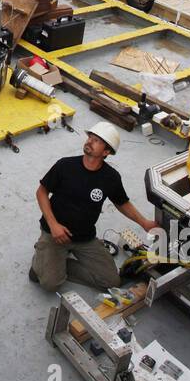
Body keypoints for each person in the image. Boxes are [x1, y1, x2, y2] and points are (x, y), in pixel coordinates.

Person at [29, 121, 160, 292]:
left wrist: (144, 223)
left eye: (97, 140)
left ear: (106, 152)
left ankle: (55, 264)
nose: (89, 141)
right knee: (50, 284)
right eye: (90, 137)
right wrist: (53, 225)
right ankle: (43, 263)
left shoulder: (111, 177)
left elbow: (122, 202)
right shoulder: (65, 165)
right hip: (54, 233)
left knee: (111, 281)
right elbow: (41, 192)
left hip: (84, 238)